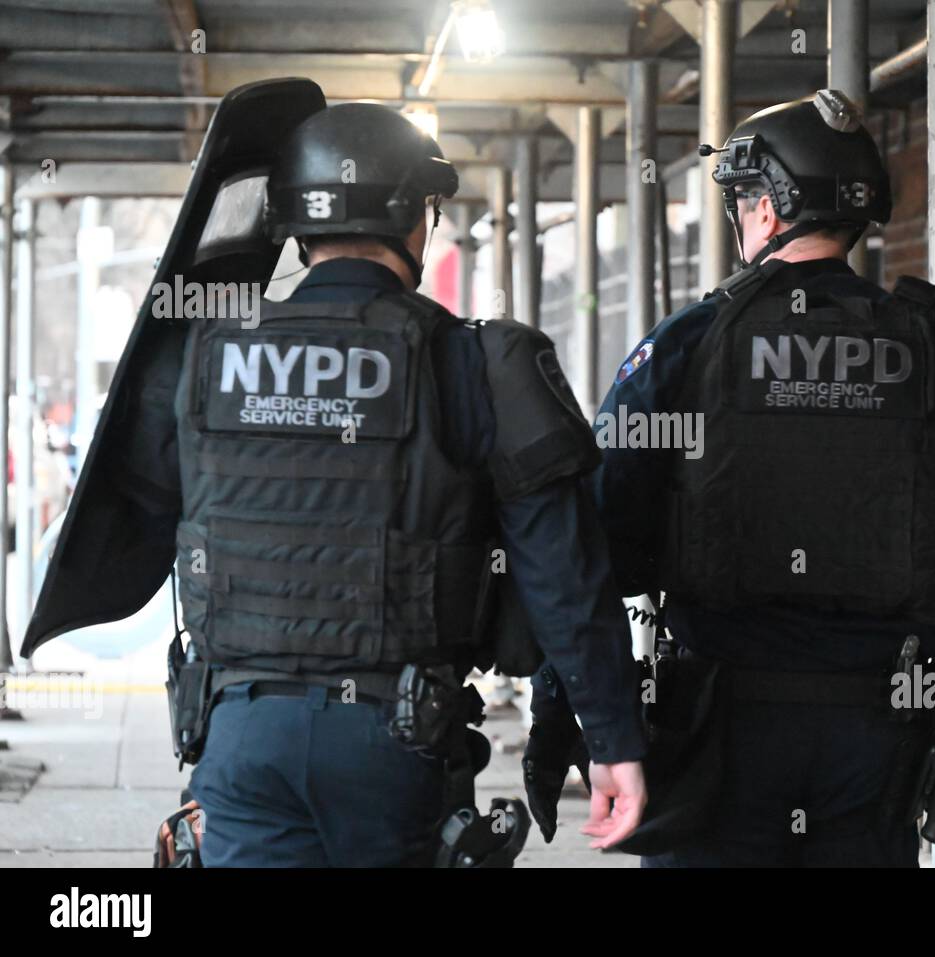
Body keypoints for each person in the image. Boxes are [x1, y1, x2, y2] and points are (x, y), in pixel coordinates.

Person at [44, 97, 648, 867]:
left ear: (292, 225)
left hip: (238, 731)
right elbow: (563, 574)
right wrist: (612, 738)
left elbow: (147, 514)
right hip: (396, 739)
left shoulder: (203, 357)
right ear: (415, 220)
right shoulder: (476, 362)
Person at [527, 89, 935, 867]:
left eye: (743, 203)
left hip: (718, 729)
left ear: (769, 212)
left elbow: (605, 544)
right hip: (881, 730)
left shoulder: (690, 342)